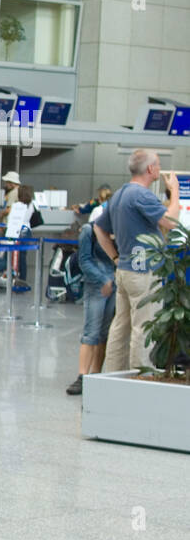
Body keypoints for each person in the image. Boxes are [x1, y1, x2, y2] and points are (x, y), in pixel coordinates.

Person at [94, 149, 182, 371]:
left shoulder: (120, 194)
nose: (160, 169)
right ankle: (139, 376)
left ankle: (113, 376)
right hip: (143, 272)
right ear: (151, 169)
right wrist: (175, 191)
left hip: (125, 269)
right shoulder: (141, 195)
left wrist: (115, 257)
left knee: (120, 326)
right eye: (159, 165)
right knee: (143, 326)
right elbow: (171, 221)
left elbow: (98, 228)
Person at [66, 221, 115, 395]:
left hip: (114, 285)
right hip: (96, 286)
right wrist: (103, 280)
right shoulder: (89, 230)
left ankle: (95, 374)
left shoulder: (118, 228)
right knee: (91, 332)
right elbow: (84, 260)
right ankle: (82, 376)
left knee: (104, 333)